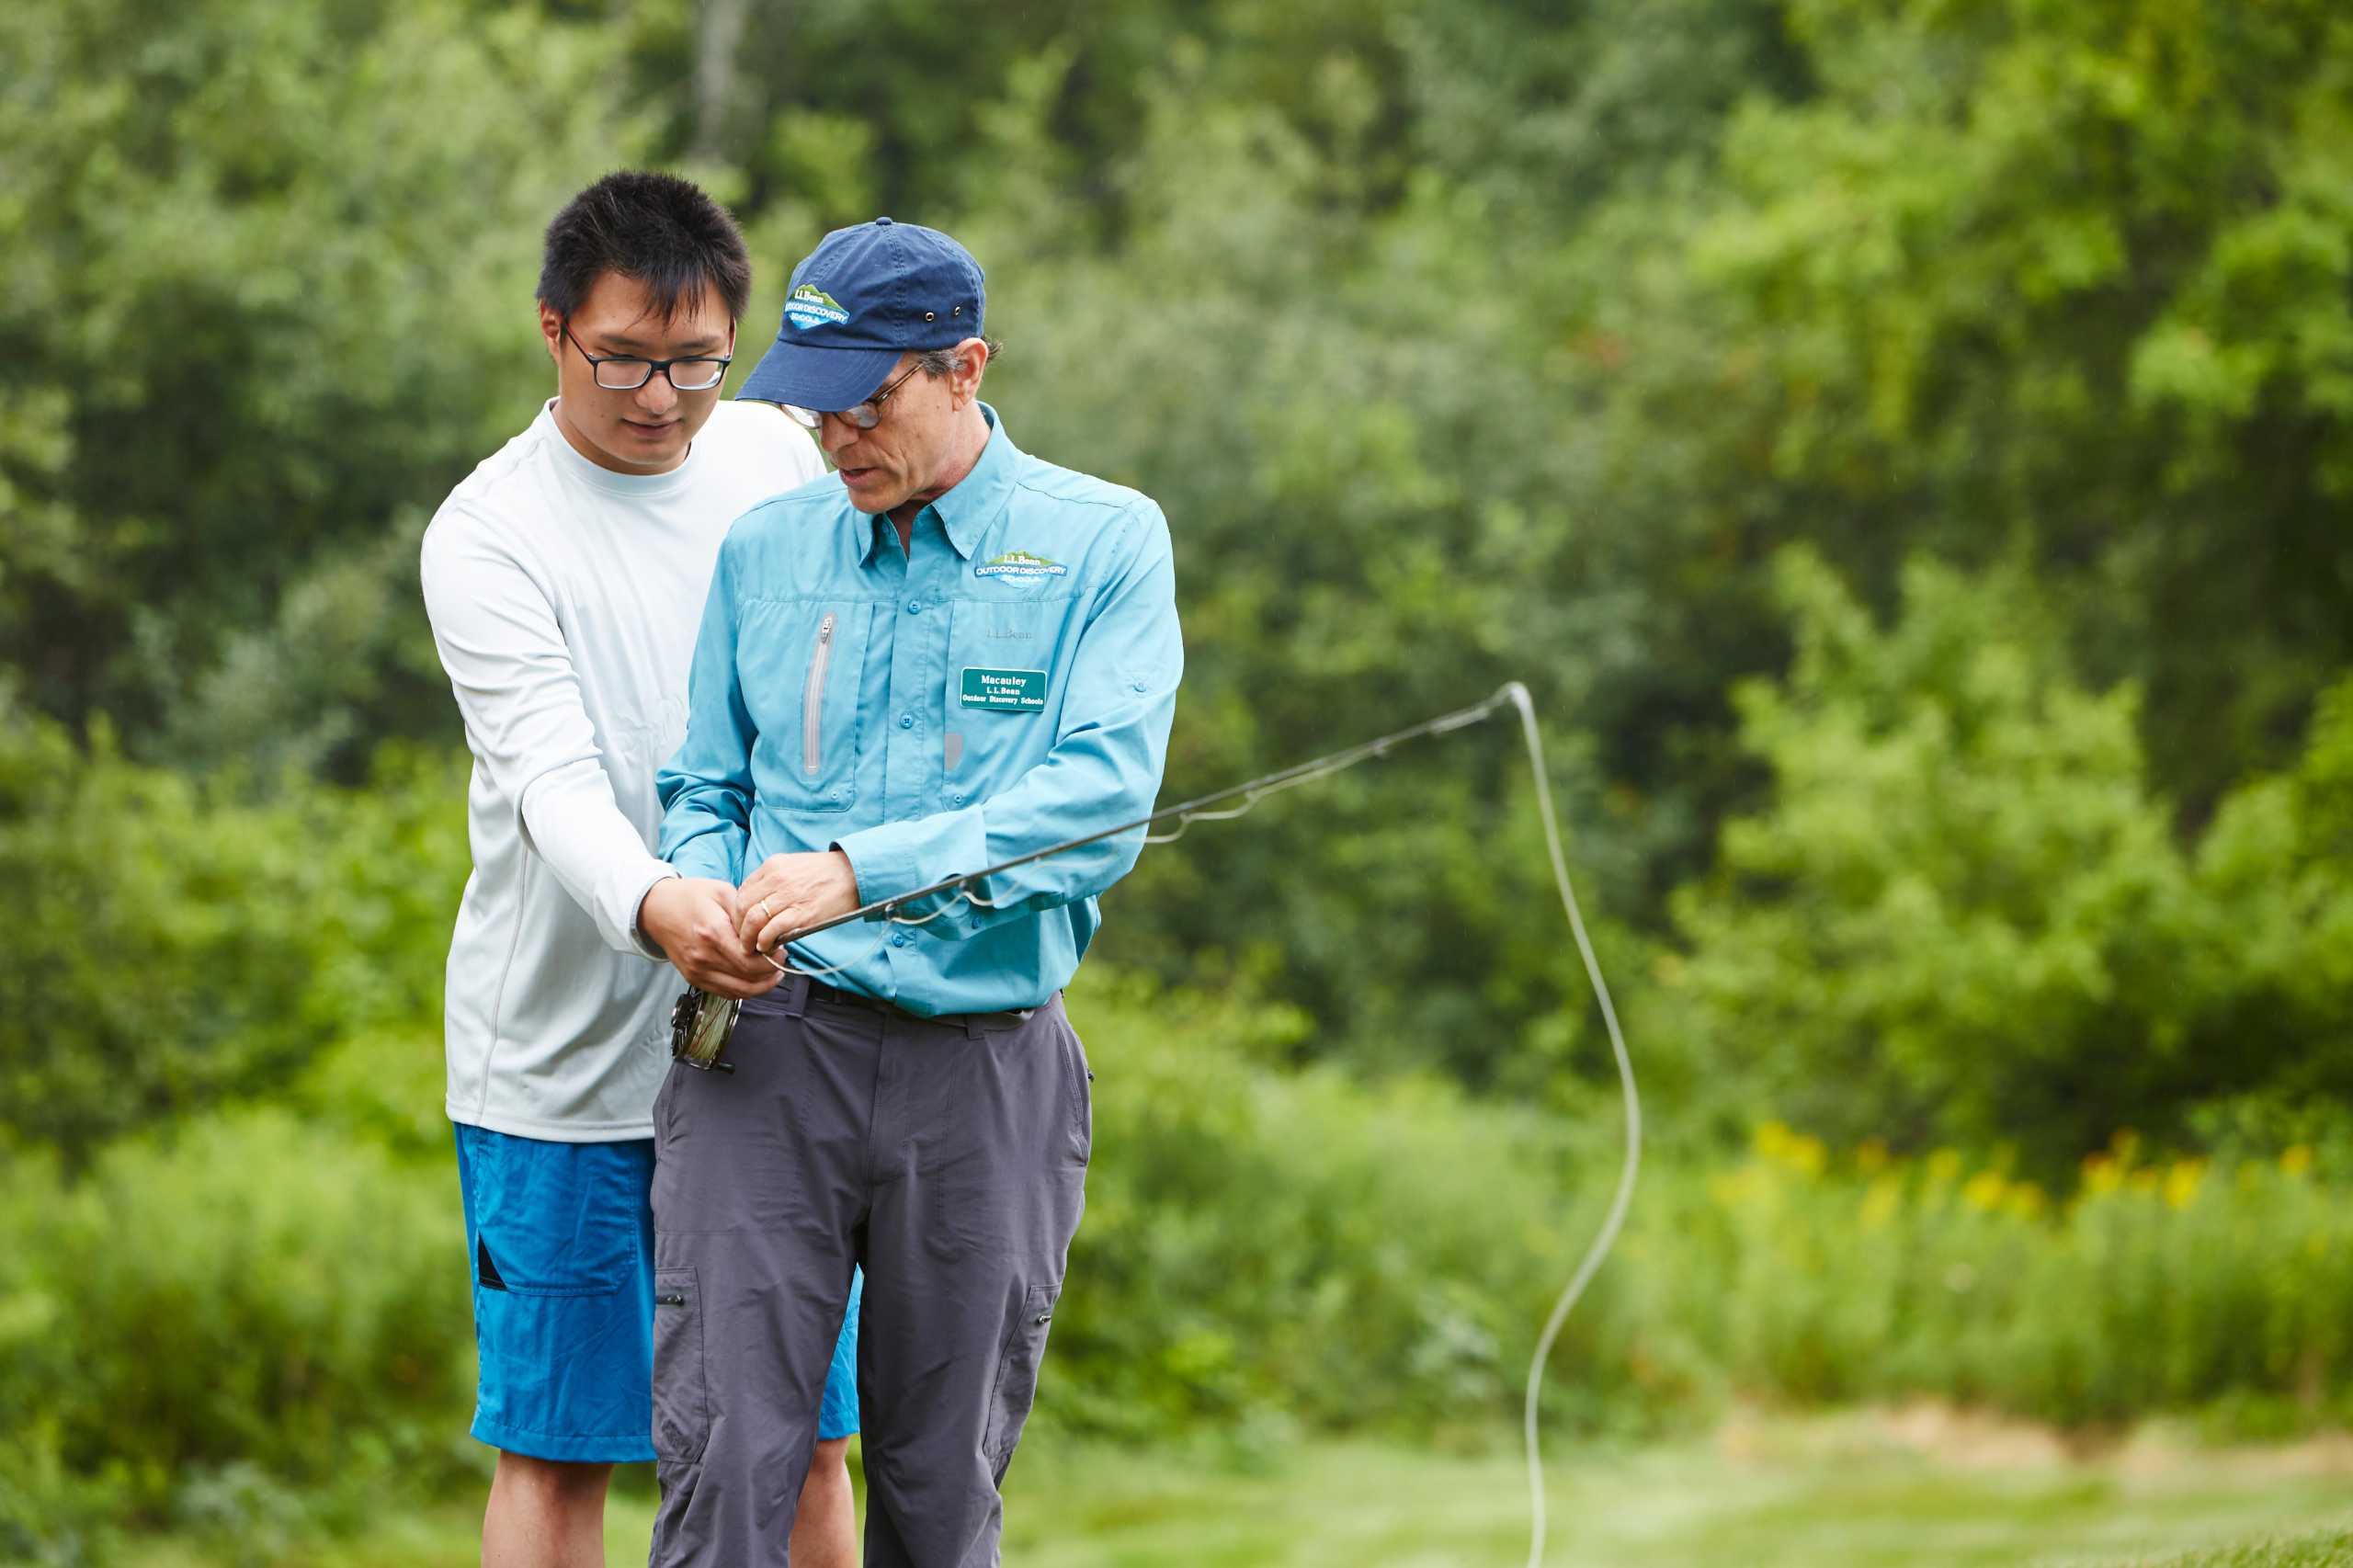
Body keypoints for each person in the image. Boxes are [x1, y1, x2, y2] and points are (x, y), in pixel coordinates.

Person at [645, 216, 1183, 1567]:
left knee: (941, 1499)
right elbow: (707, 785)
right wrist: (706, 900)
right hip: (766, 1058)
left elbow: (1102, 805)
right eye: (815, 406)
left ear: (966, 367)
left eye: (869, 400)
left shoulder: (1104, 542)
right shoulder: (767, 552)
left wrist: (857, 874)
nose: (838, 437)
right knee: (723, 1468)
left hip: (988, 1073)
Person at [419, 170, 862, 1568]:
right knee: (560, 1456)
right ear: (552, 330)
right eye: (623, 358)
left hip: (781, 1045)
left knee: (806, 1441)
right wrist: (666, 905)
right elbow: (553, 778)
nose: (661, 397)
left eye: (694, 364)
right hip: (561, 1075)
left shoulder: (778, 456)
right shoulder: (490, 534)